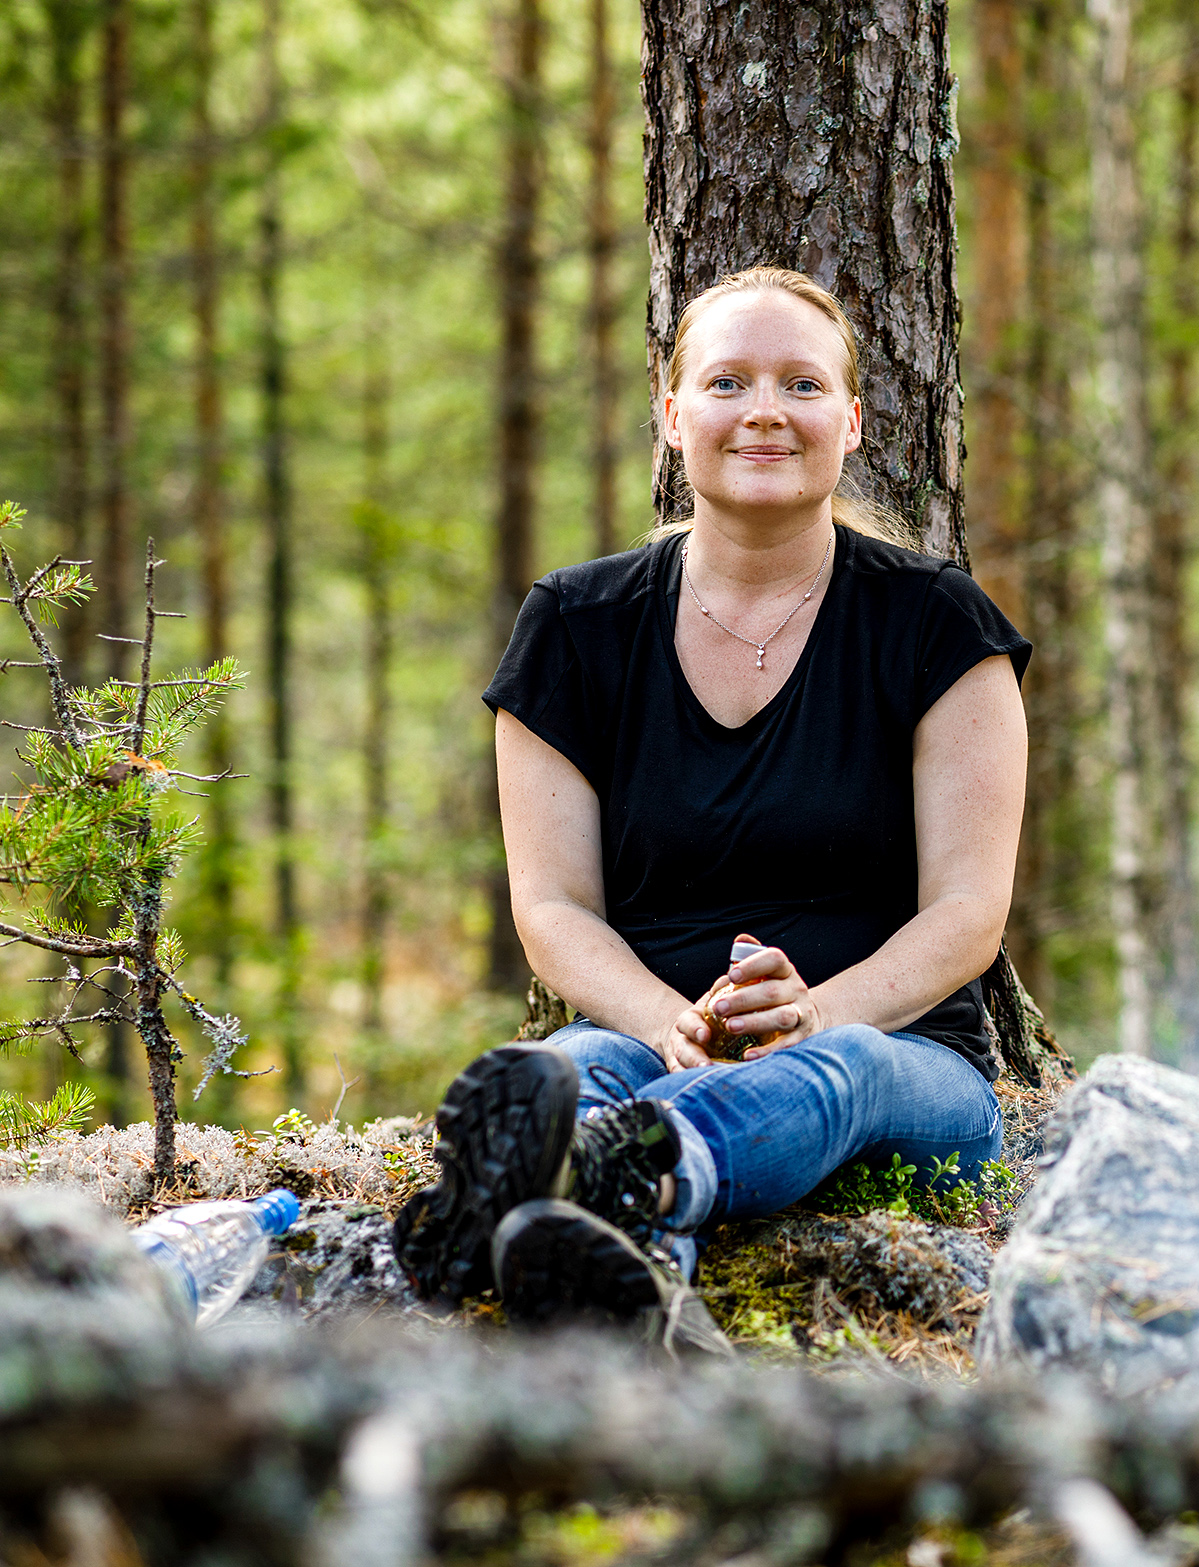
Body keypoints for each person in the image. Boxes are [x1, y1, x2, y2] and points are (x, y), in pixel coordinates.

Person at [392, 267, 1029, 1350]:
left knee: (841, 1072)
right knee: (575, 1073)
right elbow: (552, 909)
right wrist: (663, 1024)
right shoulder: (576, 627)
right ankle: (627, 1271)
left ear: (854, 420)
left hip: (898, 1064)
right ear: (672, 410)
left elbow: (967, 917)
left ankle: (599, 1180)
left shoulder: (935, 626)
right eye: (728, 381)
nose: (767, 411)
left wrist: (814, 1014)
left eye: (803, 384)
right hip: (656, 1041)